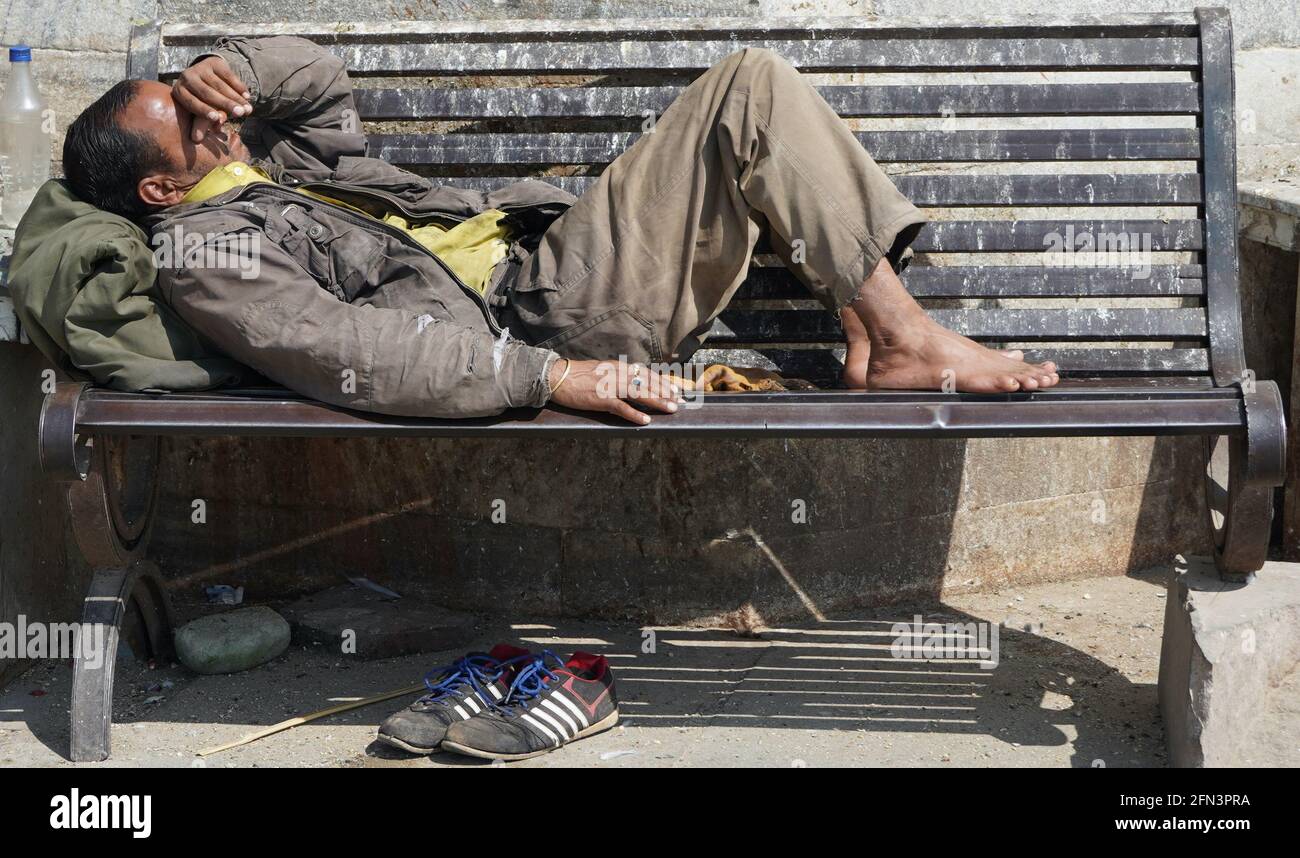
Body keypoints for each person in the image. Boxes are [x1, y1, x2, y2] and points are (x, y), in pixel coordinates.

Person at [61, 36, 1058, 426]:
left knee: (747, 86)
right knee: (744, 93)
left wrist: (221, 63)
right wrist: (550, 376)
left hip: (545, 261)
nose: (215, 115)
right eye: (190, 120)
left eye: (200, 98)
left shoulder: (288, 160)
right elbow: (343, 351)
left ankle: (885, 332)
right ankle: (891, 337)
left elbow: (314, 78)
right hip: (533, 318)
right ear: (157, 191)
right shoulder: (204, 250)